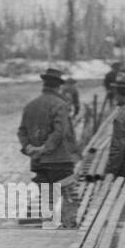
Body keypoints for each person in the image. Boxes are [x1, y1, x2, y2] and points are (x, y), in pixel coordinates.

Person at [17, 67, 80, 228]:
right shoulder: (60, 105)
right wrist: (46, 148)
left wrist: (28, 148)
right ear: (58, 86)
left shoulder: (31, 105)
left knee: (45, 196)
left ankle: (38, 231)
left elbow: (22, 131)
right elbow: (60, 132)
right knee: (69, 197)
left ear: (44, 84)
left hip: (38, 161)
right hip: (60, 160)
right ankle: (69, 231)